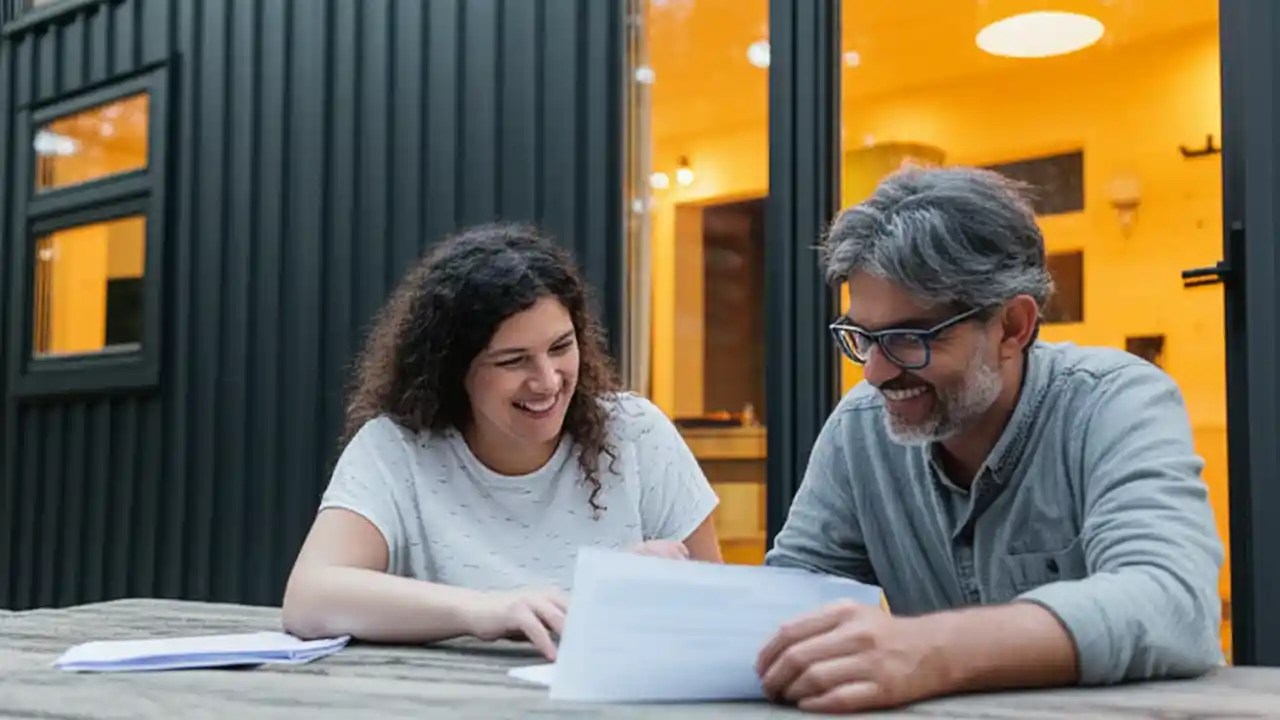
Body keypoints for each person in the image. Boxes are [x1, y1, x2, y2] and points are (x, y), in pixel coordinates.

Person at [756, 166, 1224, 713]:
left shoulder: (1113, 402)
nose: (876, 373)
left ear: (1012, 327)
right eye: (863, 337)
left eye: (909, 338)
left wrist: (930, 651)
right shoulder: (858, 428)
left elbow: (1173, 605)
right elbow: (789, 602)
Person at [282, 223, 721, 660]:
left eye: (561, 347)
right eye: (514, 361)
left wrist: (661, 590)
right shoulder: (395, 449)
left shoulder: (637, 433)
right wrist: (485, 610)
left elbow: (718, 614)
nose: (548, 381)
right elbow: (310, 597)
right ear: (454, 369)